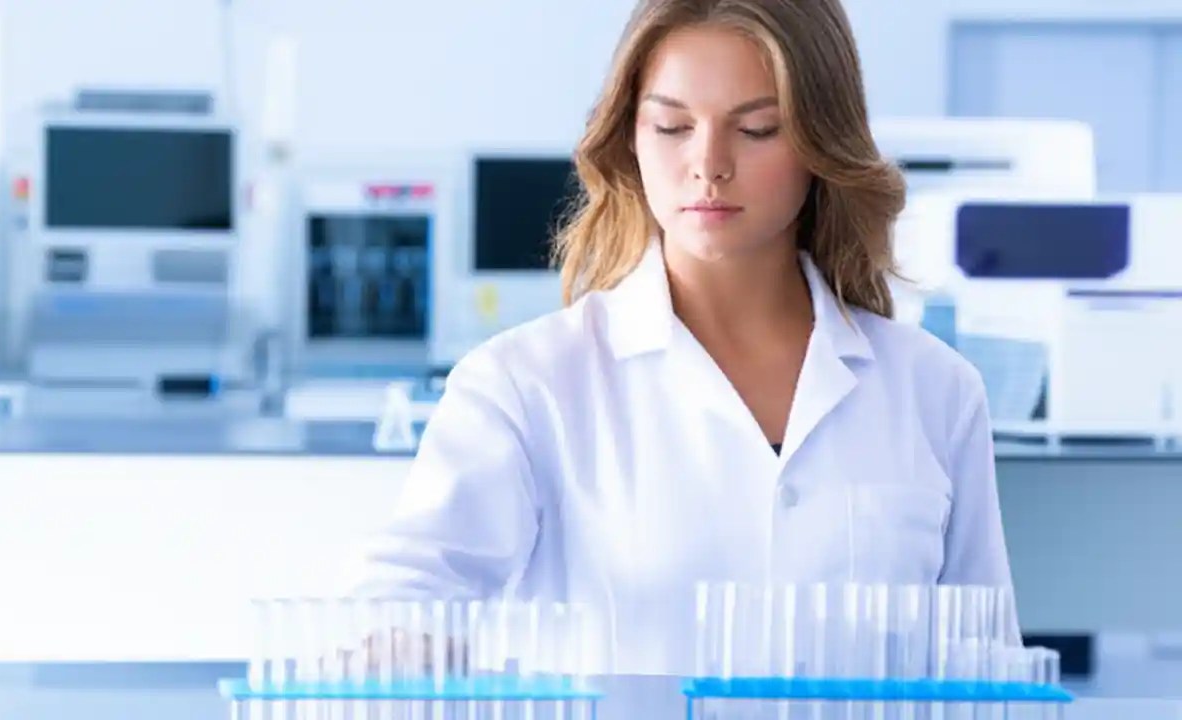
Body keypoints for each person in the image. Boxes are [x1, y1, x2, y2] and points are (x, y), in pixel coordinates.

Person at [337, 0, 1015, 674]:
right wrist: (401, 641)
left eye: (757, 129)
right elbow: (409, 591)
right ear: (629, 139)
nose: (708, 164)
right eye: (671, 125)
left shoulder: (935, 390)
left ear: (821, 146)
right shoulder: (527, 383)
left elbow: (984, 664)